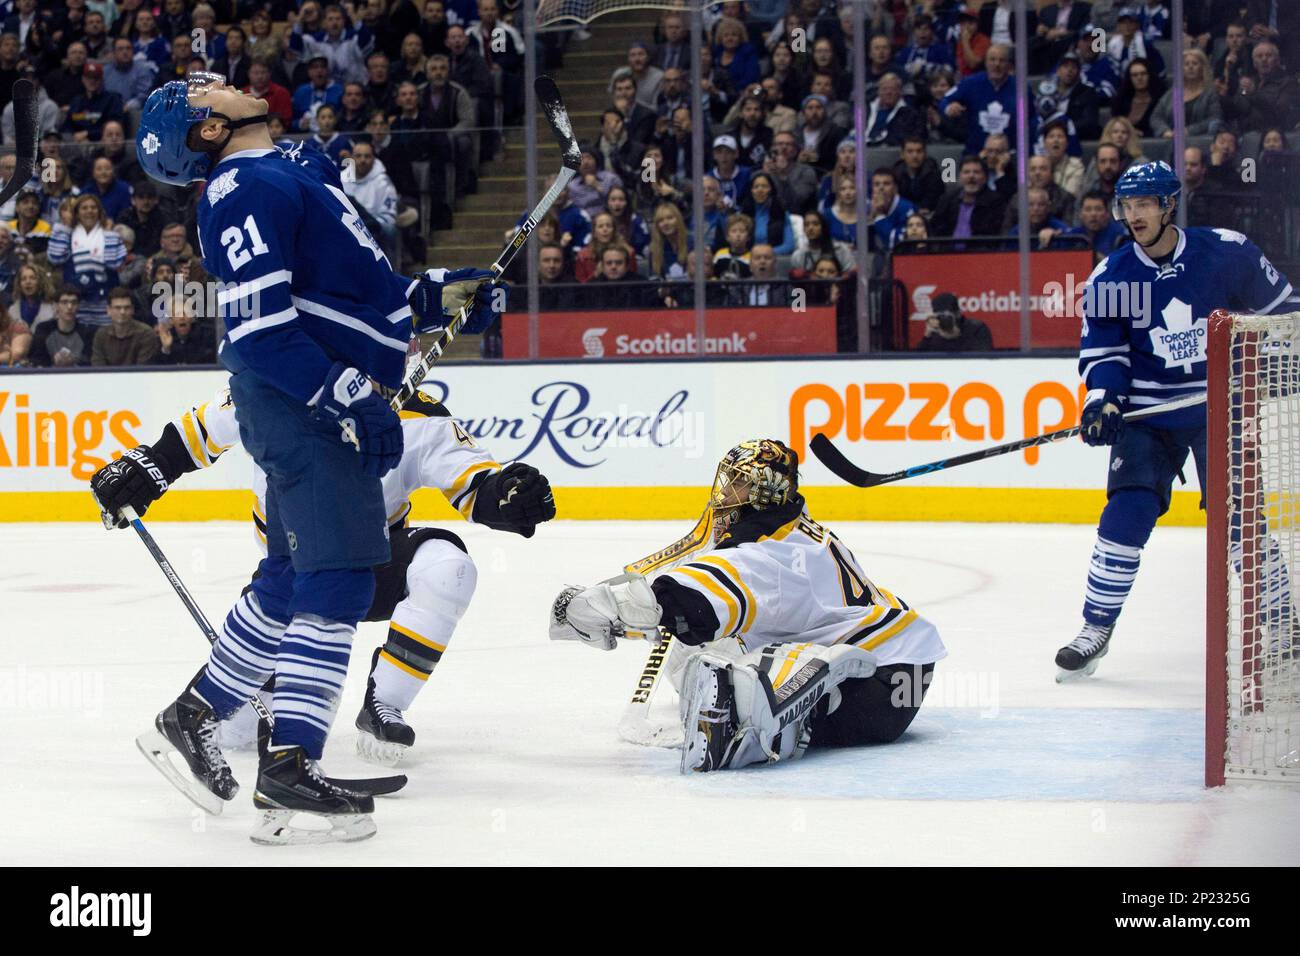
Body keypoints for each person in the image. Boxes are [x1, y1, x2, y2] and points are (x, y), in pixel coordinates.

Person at [119, 71, 501, 844]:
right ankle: (292, 757)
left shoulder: (283, 173)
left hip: (302, 398)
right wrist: (348, 391)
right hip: (301, 403)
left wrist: (429, 298)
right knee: (336, 575)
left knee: (292, 577)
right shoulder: (239, 190)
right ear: (207, 133)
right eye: (203, 91)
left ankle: (192, 717)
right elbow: (259, 330)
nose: (219, 83)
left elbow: (357, 293)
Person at [92, 383, 555, 767]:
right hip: (291, 577)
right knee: (238, 732)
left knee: (448, 568)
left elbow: (476, 485)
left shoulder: (419, 415)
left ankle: (384, 703)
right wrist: (149, 467)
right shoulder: (281, 386)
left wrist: (506, 496)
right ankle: (209, 722)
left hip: (371, 564)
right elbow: (198, 433)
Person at [549, 439, 946, 773]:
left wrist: (595, 607)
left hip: (870, 694)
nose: (723, 495)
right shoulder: (795, 527)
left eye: (736, 485)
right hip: (904, 679)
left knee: (721, 662)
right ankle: (789, 702)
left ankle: (758, 728)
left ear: (763, 492)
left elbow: (675, 605)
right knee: (713, 644)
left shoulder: (764, 557)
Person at [1059, 161, 1296, 681]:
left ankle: (1282, 624)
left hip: (1221, 408)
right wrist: (1103, 399)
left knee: (1239, 518)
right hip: (1149, 416)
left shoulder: (1226, 251)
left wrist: (1281, 359)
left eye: (1145, 204)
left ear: (1170, 206)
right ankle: (1095, 627)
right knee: (1127, 511)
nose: (1134, 215)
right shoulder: (1113, 274)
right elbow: (1104, 351)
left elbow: (1286, 312)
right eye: (1127, 205)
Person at [45, 193, 126, 327]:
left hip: (104, 301)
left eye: (93, 208)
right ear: (76, 213)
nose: (89, 211)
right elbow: (55, 257)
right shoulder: (67, 234)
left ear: (100, 212)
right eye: (84, 208)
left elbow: (114, 263)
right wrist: (65, 228)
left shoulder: (111, 236)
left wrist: (108, 234)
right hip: (75, 304)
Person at [941, 42, 1016, 155]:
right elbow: (945, 100)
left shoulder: (1020, 88)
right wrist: (949, 107)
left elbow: (1032, 119)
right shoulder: (970, 83)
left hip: (1009, 155)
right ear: (985, 62)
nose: (997, 64)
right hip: (975, 154)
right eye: (992, 60)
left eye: (1002, 60)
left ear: (1009, 65)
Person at [930, 155, 1006, 238]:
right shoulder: (946, 199)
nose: (971, 176)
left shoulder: (995, 202)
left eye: (976, 172)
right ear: (960, 177)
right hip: (948, 250)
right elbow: (936, 230)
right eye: (966, 172)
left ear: (985, 178)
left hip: (981, 249)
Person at [91, 286, 158, 366]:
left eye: (127, 307)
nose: (122, 312)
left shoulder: (146, 333)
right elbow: (98, 369)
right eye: (117, 308)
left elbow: (142, 370)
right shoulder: (101, 335)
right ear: (109, 310)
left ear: (133, 310)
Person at [27, 286, 92, 367]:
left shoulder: (86, 332)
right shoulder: (44, 329)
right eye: (64, 302)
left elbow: (89, 362)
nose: (69, 307)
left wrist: (73, 361)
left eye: (74, 302)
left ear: (78, 306)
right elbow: (36, 360)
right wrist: (54, 360)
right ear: (56, 305)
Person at [916, 290, 993, 351]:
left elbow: (982, 360)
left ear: (958, 314)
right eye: (940, 316)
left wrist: (956, 337)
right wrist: (927, 336)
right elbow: (918, 363)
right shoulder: (934, 335)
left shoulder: (976, 329)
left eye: (948, 316)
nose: (945, 320)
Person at [1068, 190, 1128, 259]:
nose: (1093, 214)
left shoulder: (1120, 236)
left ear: (1107, 213)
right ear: (1080, 214)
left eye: (1098, 209)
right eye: (1088, 209)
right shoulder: (1073, 235)